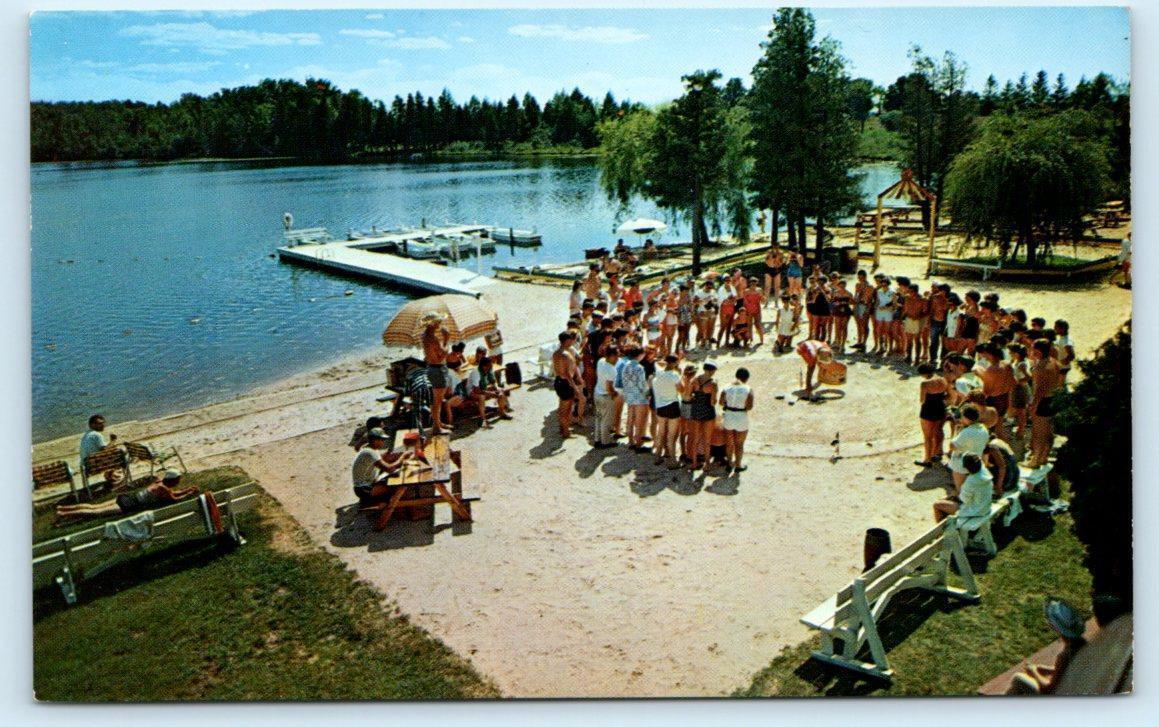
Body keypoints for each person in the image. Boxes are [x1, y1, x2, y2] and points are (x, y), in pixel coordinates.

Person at [54, 469, 199, 525]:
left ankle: (63, 509)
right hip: (128, 504)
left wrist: (186, 490)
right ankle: (63, 514)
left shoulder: (159, 482)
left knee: (94, 506)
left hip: (126, 497)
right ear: (174, 480)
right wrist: (188, 493)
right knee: (95, 512)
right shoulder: (163, 489)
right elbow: (173, 499)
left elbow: (172, 494)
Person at [349, 428, 414, 504]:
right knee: (399, 486)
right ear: (375, 440)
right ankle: (389, 506)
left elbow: (382, 458)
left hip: (363, 486)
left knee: (395, 476)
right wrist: (402, 457)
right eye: (382, 440)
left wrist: (395, 455)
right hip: (364, 489)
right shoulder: (370, 453)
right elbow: (389, 469)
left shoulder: (367, 448)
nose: (383, 442)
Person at [1028, 339, 1063, 468]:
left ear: (1038, 351)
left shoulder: (1040, 368)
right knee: (1048, 431)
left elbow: (1039, 391)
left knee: (1039, 433)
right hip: (1053, 399)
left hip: (1042, 401)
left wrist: (1033, 406)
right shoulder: (1054, 362)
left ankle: (1035, 460)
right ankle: (1044, 457)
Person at [933, 453, 992, 525]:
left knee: (937, 505)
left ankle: (943, 529)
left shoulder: (971, 482)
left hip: (973, 512)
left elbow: (963, 499)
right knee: (948, 500)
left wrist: (953, 495)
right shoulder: (985, 473)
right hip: (985, 507)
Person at [421, 312, 453, 434]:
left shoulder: (424, 336)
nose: (440, 323)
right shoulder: (433, 338)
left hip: (432, 368)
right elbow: (442, 355)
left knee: (436, 399)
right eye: (438, 322)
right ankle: (436, 427)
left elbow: (433, 354)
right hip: (438, 369)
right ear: (432, 324)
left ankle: (438, 423)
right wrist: (446, 339)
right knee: (437, 400)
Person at [719, 367, 754, 473]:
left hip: (729, 415)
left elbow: (721, 402)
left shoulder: (726, 387)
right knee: (739, 443)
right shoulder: (748, 389)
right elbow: (749, 407)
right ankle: (738, 464)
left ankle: (729, 463)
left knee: (729, 442)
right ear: (746, 378)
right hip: (741, 416)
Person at [948, 404, 990, 490]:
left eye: (962, 416)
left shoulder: (967, 432)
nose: (961, 419)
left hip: (961, 465)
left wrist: (956, 433)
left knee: (961, 490)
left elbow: (952, 446)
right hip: (975, 464)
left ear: (967, 418)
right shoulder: (984, 429)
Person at [651, 354, 682, 468]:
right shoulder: (674, 375)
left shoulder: (658, 373)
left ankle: (657, 456)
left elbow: (657, 363)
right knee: (671, 436)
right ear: (675, 363)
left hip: (660, 406)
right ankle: (672, 460)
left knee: (661, 432)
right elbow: (682, 389)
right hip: (672, 405)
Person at [687, 361, 719, 470]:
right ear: (712, 370)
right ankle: (707, 464)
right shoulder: (713, 383)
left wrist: (696, 398)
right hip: (708, 411)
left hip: (696, 410)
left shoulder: (694, 380)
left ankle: (694, 463)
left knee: (695, 439)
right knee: (707, 440)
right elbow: (713, 402)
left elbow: (688, 396)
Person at [916, 362, 949, 467]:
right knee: (938, 431)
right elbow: (949, 396)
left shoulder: (925, 384)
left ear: (923, 373)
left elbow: (922, 400)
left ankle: (927, 460)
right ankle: (937, 453)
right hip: (941, 408)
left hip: (928, 410)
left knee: (928, 437)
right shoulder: (943, 379)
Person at [78, 413, 123, 488]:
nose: (103, 425)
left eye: (103, 423)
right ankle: (110, 475)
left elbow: (102, 451)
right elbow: (105, 450)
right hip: (95, 466)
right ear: (92, 425)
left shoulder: (86, 435)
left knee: (111, 452)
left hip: (86, 465)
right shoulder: (96, 435)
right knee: (118, 453)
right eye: (99, 424)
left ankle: (110, 475)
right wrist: (113, 440)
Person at [621, 347, 650, 451]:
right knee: (639, 421)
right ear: (640, 355)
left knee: (630, 419)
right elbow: (642, 384)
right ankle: (638, 444)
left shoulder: (626, 365)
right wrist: (648, 394)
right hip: (639, 397)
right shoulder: (639, 367)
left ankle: (630, 442)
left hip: (629, 395)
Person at [553, 332, 580, 438]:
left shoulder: (556, 353)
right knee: (567, 409)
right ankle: (566, 432)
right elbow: (567, 373)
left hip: (559, 381)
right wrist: (574, 387)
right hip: (566, 383)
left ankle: (562, 427)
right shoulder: (565, 355)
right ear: (567, 340)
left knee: (562, 407)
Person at [593, 345, 620, 448]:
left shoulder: (600, 361)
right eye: (616, 356)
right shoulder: (612, 369)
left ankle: (597, 440)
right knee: (606, 420)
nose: (617, 359)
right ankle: (605, 442)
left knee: (598, 418)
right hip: (605, 396)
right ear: (612, 356)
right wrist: (614, 393)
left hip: (597, 393)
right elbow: (609, 387)